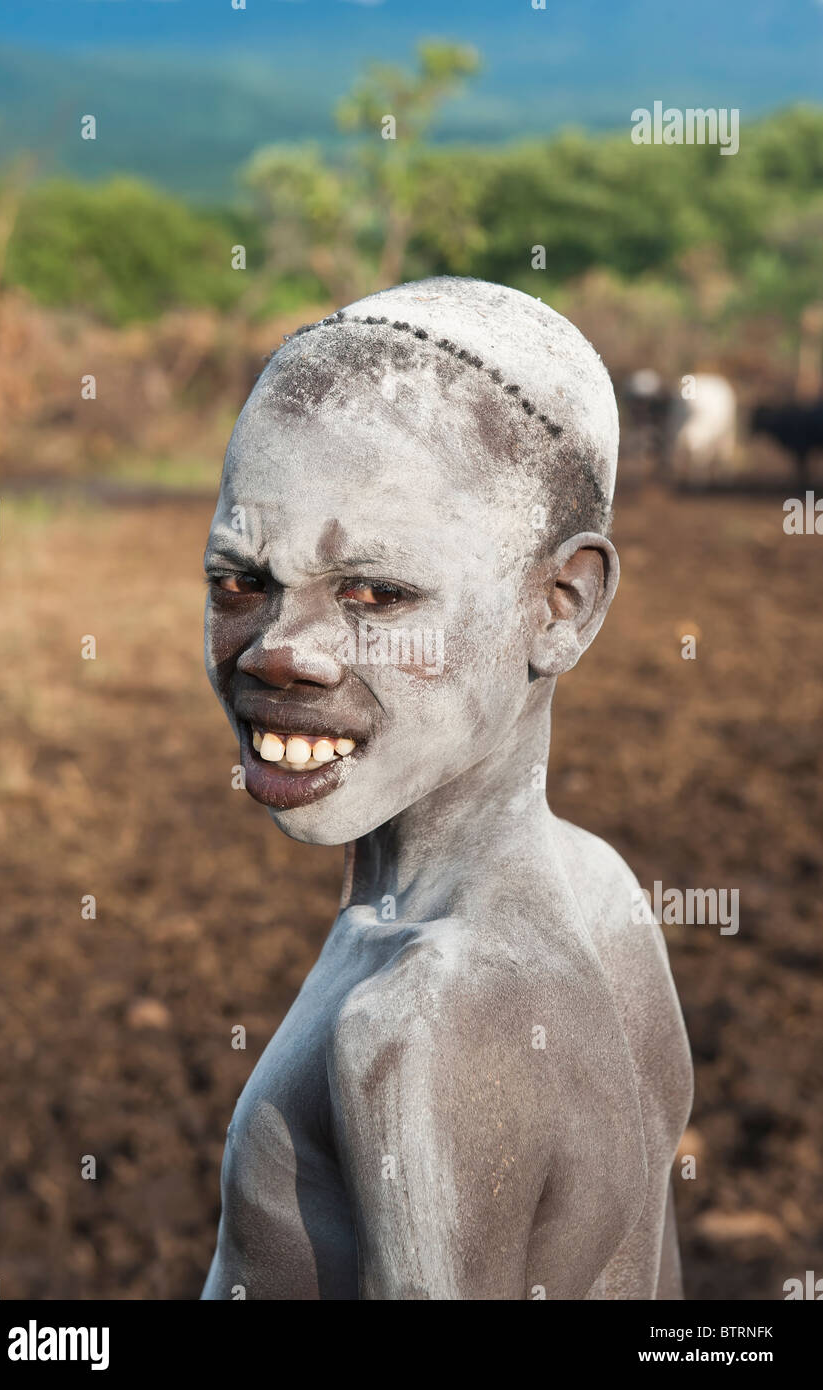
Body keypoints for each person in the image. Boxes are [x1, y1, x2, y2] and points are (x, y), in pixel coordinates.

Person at [201, 276, 693, 1300]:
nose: (281, 654)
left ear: (561, 604)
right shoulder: (600, 893)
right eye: (242, 581)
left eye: (376, 593)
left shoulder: (423, 1019)